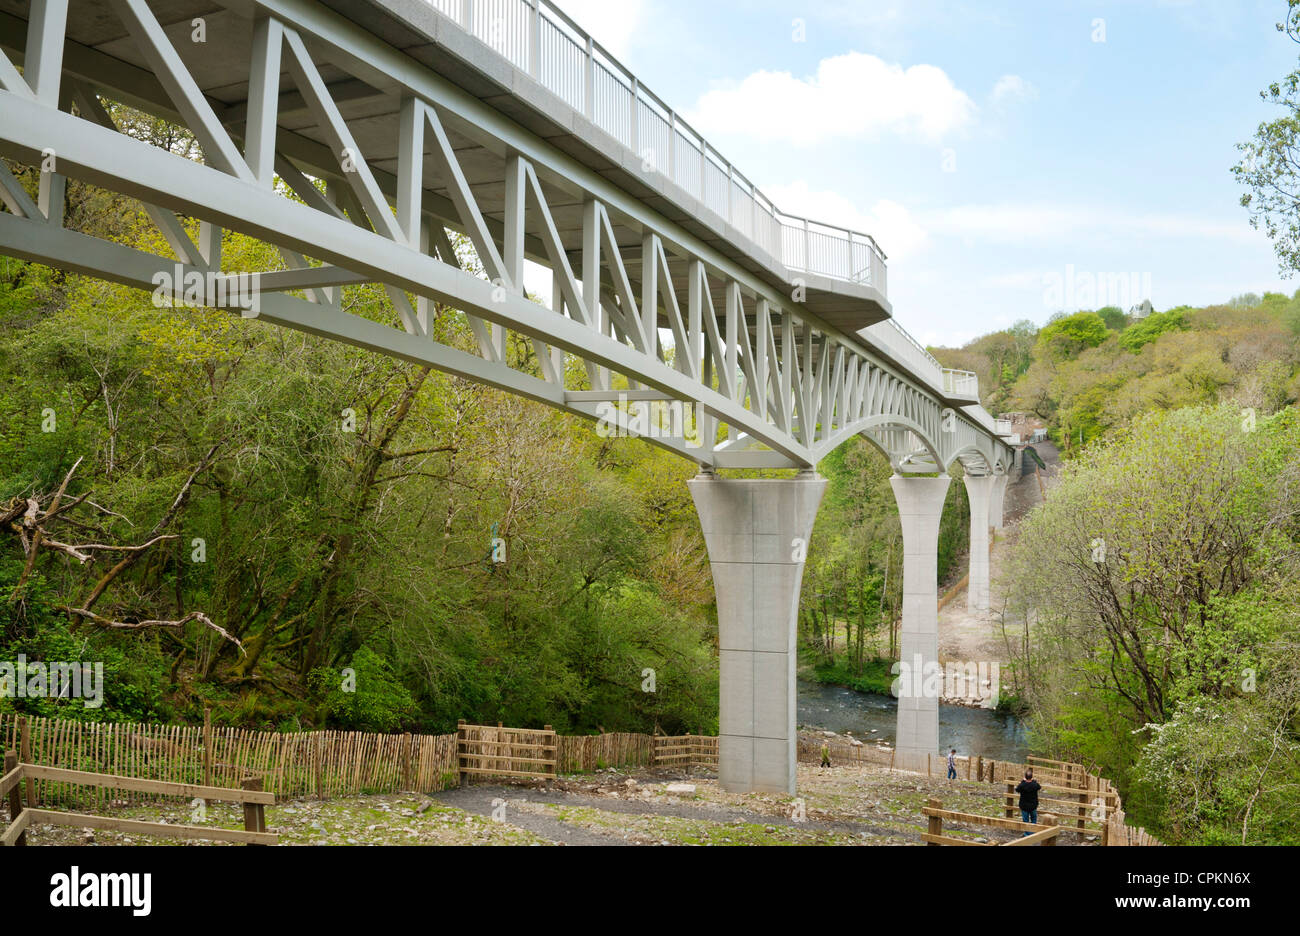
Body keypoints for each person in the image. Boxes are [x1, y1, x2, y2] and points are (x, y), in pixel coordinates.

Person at [1014, 767, 1041, 835]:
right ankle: (1032, 832)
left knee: (1025, 820)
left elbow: (1017, 789)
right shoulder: (1035, 785)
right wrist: (1034, 781)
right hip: (1033, 805)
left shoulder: (1022, 785)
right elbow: (1039, 787)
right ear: (1032, 777)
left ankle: (1027, 833)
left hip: (1024, 806)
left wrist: (1023, 781)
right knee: (1033, 819)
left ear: (1025, 777)